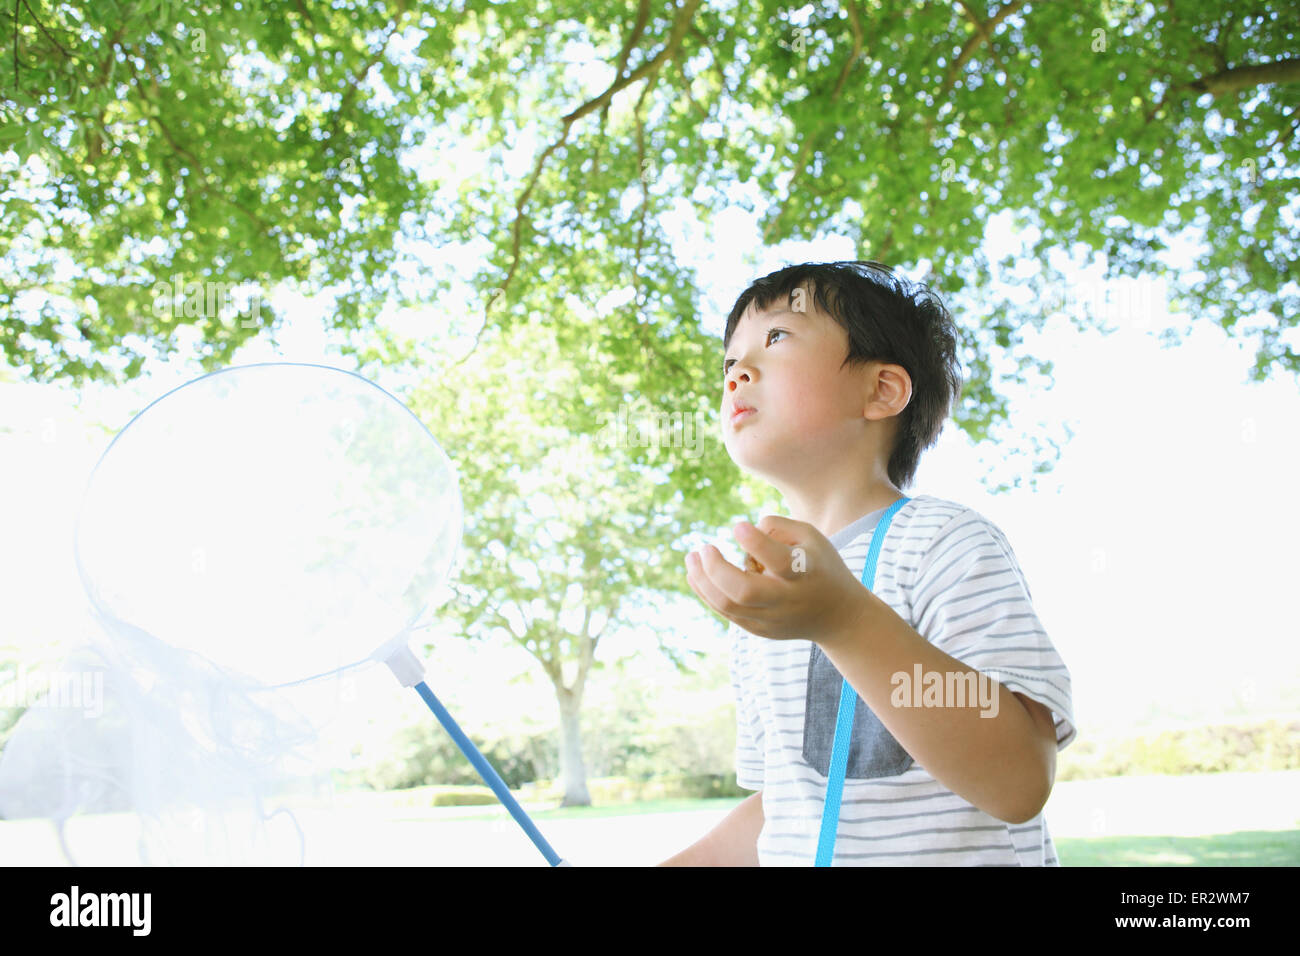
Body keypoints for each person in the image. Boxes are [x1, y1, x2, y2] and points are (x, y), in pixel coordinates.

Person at [658, 261, 1076, 866]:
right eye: (729, 361)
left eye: (776, 337)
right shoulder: (767, 593)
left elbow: (1019, 783)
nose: (736, 374)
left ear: (881, 391)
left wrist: (845, 621)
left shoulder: (943, 542)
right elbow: (790, 803)